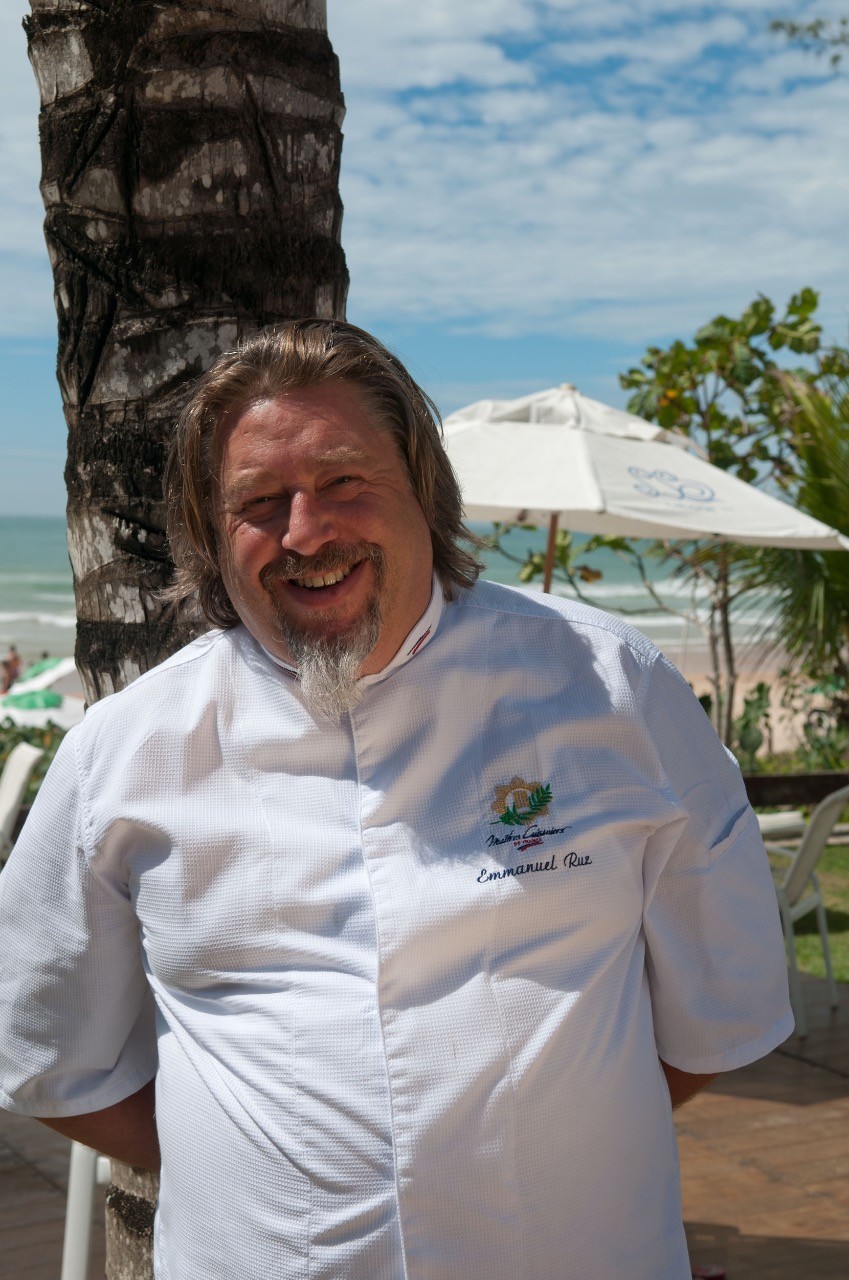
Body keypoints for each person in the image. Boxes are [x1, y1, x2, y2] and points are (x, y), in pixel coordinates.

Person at [0, 319, 792, 1280]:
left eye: (343, 481)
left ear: (425, 493)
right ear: (210, 539)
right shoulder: (127, 749)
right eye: (259, 502)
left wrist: (528, 1134)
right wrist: (249, 1157)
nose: (305, 531)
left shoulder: (611, 687)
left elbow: (720, 1004)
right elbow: (43, 1050)